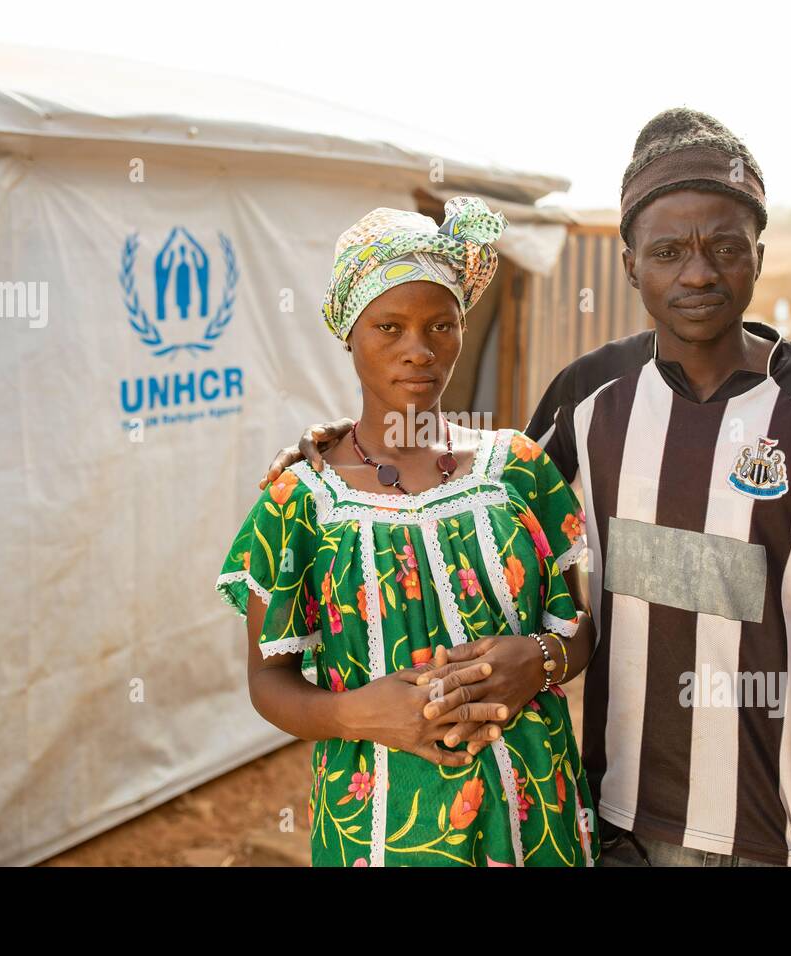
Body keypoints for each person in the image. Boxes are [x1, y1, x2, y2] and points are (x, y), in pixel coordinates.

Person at [258, 110, 791, 868]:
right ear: (630, 264)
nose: (699, 273)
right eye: (669, 251)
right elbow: (465, 482)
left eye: (726, 248)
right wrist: (332, 456)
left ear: (760, 256)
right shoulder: (587, 396)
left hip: (786, 821)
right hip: (614, 819)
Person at [216, 196, 599, 867]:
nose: (418, 351)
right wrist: (356, 715)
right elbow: (267, 681)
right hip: (381, 831)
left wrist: (534, 662)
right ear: (348, 333)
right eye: (388, 327)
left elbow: (580, 632)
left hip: (535, 816)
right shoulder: (299, 501)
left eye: (440, 327)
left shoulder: (520, 469)